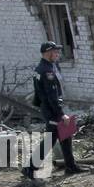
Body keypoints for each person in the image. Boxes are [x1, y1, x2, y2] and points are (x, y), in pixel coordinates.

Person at [30, 41, 84, 178]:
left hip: (49, 109)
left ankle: (71, 166)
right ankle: (29, 169)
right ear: (48, 53)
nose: (58, 54)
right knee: (50, 141)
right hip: (52, 111)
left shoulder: (43, 67)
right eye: (55, 52)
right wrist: (61, 115)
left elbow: (38, 94)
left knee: (66, 136)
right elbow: (51, 96)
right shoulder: (47, 71)